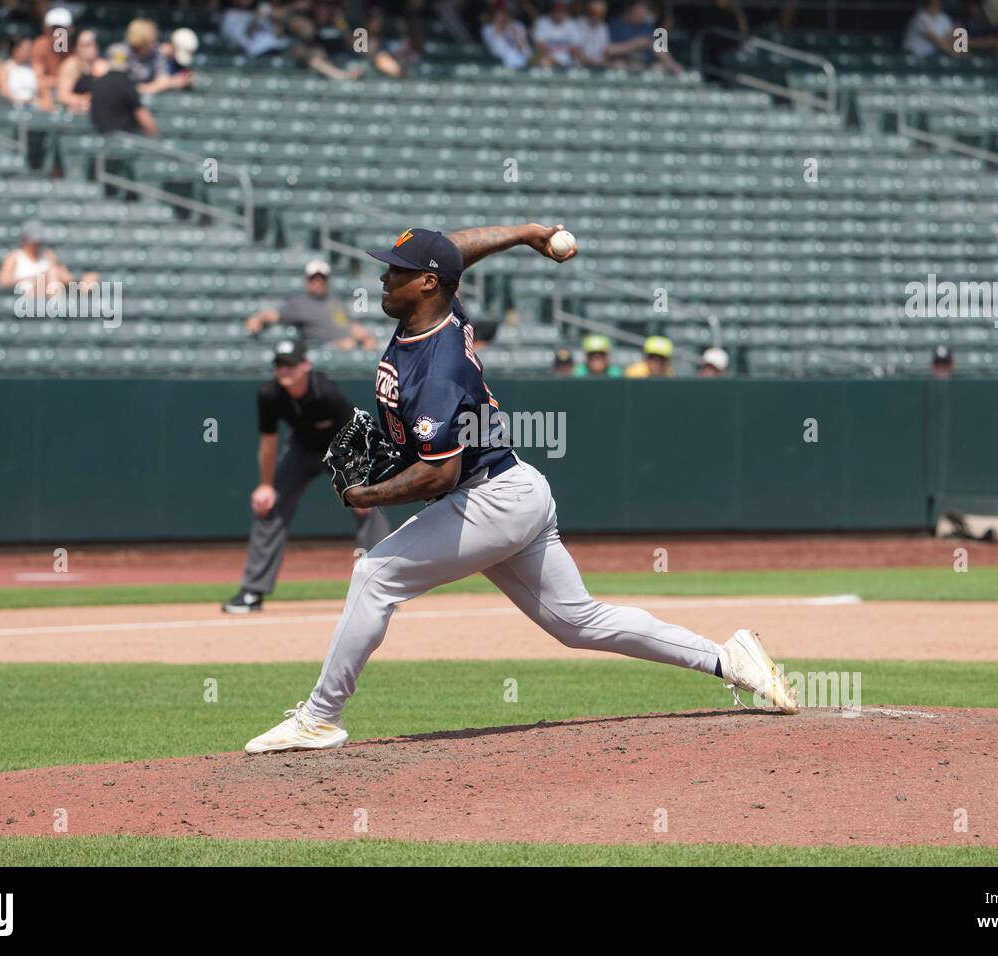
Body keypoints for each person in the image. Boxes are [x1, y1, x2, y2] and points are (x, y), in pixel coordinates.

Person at [243, 223, 797, 752]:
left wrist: (364, 496)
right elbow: (454, 250)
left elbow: (440, 474)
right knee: (577, 621)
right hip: (515, 488)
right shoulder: (433, 308)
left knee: (374, 575)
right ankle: (729, 659)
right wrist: (526, 232)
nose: (383, 280)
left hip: (488, 500)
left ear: (426, 283)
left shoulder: (437, 368)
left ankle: (320, 717)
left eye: (395, 272)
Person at [223, 340, 391, 614]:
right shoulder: (269, 394)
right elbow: (268, 441)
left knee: (368, 506)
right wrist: (265, 486)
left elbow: (357, 435)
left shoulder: (327, 393)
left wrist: (361, 485)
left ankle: (380, 588)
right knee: (269, 507)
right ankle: (252, 592)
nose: (284, 370)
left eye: (290, 364)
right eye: (279, 365)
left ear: (305, 365)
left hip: (340, 451)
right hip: (300, 450)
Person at [244, 258, 376, 349]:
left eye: (322, 279)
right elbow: (275, 314)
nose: (318, 283)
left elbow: (350, 324)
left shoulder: (334, 300)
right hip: (326, 350)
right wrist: (257, 318)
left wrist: (366, 337)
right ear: (307, 280)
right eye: (313, 279)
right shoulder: (299, 303)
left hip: (350, 346)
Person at [0, 220, 98, 293]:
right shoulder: (15, 257)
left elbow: (65, 276)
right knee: (51, 274)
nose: (38, 245)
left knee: (91, 278)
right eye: (34, 242)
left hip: (50, 291)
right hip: (27, 295)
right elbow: (4, 282)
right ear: (24, 240)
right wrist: (36, 278)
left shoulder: (48, 254)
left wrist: (82, 280)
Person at [81, 45, 158, 136]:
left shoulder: (97, 83)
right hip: (125, 142)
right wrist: (155, 134)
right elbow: (143, 117)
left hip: (102, 140)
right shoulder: (126, 83)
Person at [608, 1, 681, 73]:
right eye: (638, 12)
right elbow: (609, 50)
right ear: (630, 11)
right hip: (626, 64)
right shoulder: (617, 25)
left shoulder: (647, 27)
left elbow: (660, 49)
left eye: (643, 13)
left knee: (658, 67)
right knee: (620, 65)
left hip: (646, 66)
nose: (641, 15)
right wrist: (636, 43)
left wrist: (673, 65)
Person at [123, 18, 192, 94]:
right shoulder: (120, 51)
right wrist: (170, 83)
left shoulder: (157, 54)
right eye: (151, 41)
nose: (155, 44)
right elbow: (116, 82)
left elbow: (162, 80)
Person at [56, 28, 105, 113]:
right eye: (87, 44)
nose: (93, 47)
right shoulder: (71, 65)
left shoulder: (101, 65)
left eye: (94, 43)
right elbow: (62, 96)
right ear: (77, 47)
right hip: (76, 114)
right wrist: (82, 100)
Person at [220, 0, 291, 59]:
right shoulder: (230, 16)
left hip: (273, 50)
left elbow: (277, 34)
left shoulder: (258, 11)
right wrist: (257, 19)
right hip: (251, 54)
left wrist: (280, 21)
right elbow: (244, 37)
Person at [0, 36, 52, 109]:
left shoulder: (35, 69)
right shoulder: (5, 69)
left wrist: (40, 103)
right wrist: (22, 101)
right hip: (12, 107)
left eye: (30, 49)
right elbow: (4, 93)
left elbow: (45, 93)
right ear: (15, 50)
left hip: (34, 108)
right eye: (26, 49)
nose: (29, 52)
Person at [31, 6, 74, 98]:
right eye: (54, 28)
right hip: (46, 93)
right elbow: (39, 79)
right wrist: (62, 81)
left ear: (70, 30)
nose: (57, 32)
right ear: (46, 29)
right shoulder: (41, 45)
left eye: (61, 28)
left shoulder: (74, 47)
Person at [481, 2, 533, 70]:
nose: (501, 17)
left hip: (521, 62)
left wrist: (516, 36)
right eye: (498, 14)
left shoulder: (516, 25)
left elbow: (527, 52)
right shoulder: (487, 29)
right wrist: (499, 29)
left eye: (503, 13)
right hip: (499, 62)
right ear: (493, 15)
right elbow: (495, 50)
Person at [533, 0, 581, 68]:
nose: (559, 12)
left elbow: (576, 47)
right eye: (557, 9)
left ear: (566, 10)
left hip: (568, 60)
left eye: (562, 9)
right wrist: (555, 59)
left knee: (578, 63)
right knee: (544, 61)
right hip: (548, 59)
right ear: (553, 9)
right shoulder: (542, 22)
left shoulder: (573, 24)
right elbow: (539, 45)